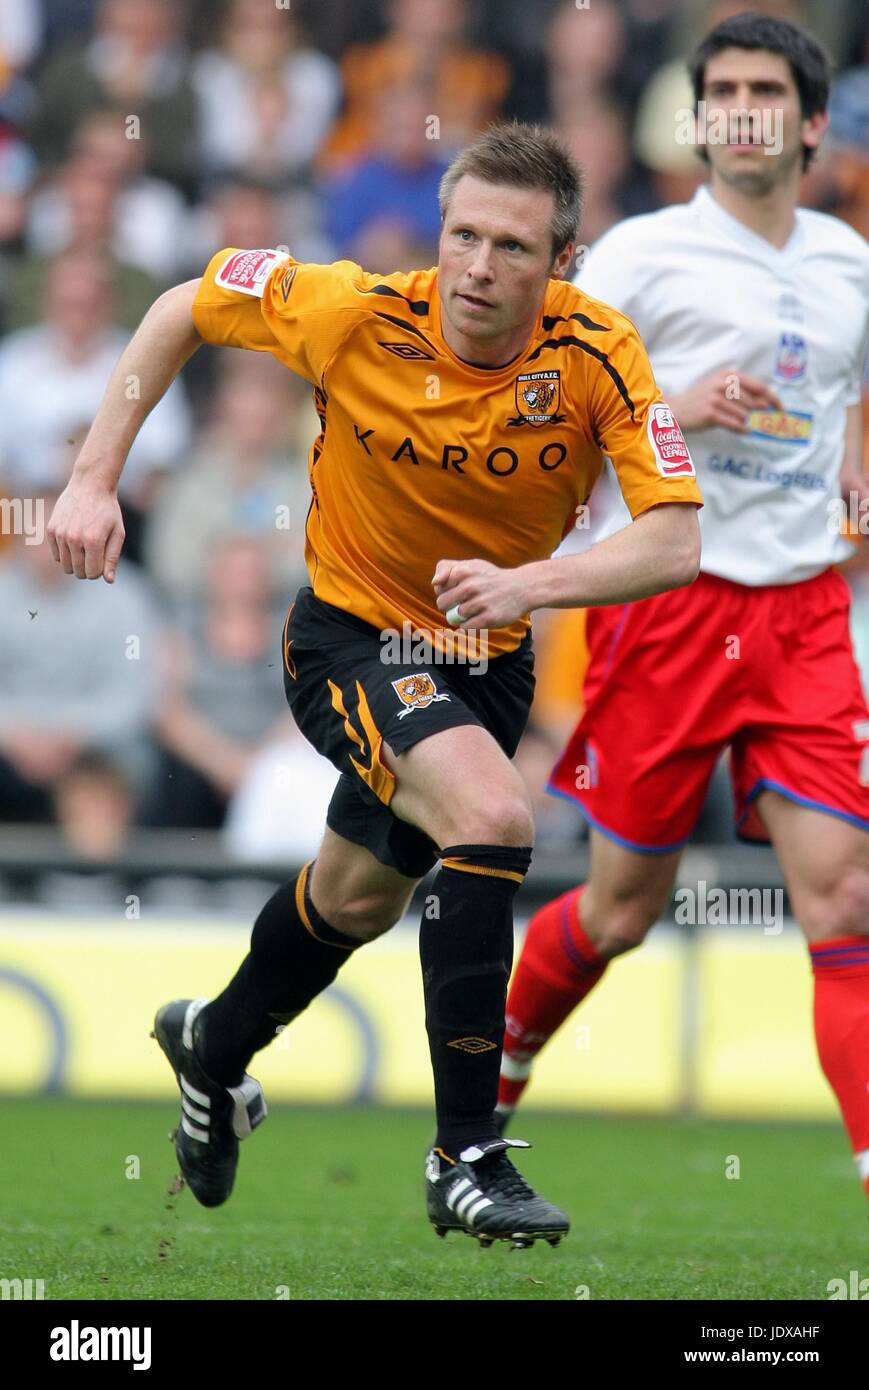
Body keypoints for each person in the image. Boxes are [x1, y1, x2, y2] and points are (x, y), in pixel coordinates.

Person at [48, 121, 702, 1247]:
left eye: (511, 246)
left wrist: (529, 584)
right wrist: (92, 479)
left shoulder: (599, 354)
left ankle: (213, 1044)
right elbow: (178, 308)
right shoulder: (349, 307)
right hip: (349, 641)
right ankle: (467, 1157)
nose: (479, 268)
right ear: (437, 236)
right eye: (463, 236)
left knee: (354, 900)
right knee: (493, 817)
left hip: (485, 664)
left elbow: (674, 543)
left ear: (561, 264)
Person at [498, 15, 869, 1202]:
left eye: (766, 90)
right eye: (723, 91)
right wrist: (675, 405)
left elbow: (846, 393)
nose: (743, 109)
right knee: (618, 911)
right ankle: (484, 1090)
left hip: (805, 607)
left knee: (847, 894)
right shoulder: (637, 256)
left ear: (810, 124)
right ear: (699, 118)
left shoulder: (850, 264)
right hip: (668, 599)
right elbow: (534, 405)